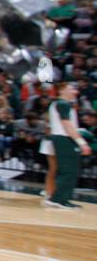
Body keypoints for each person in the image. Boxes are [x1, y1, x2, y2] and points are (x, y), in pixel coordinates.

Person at [44, 82, 91, 210]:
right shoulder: (62, 104)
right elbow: (67, 125)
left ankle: (62, 199)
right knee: (68, 171)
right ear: (61, 90)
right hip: (64, 139)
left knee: (69, 170)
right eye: (72, 89)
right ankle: (58, 199)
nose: (75, 91)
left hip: (63, 138)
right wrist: (82, 142)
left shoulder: (61, 104)